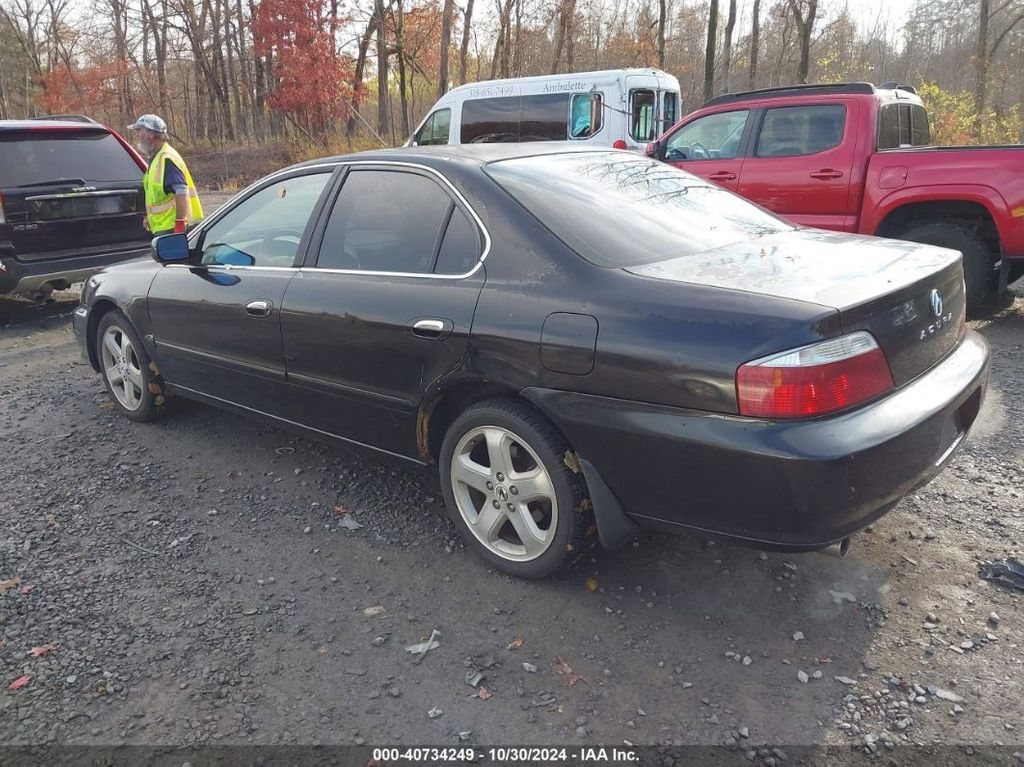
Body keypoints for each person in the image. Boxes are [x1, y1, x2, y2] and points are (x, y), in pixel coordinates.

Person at [127, 114, 203, 235]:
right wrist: (150, 218)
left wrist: (179, 223)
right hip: (164, 226)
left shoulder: (166, 158)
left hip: (171, 229)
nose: (136, 135)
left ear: (151, 134)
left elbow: (181, 191)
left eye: (139, 131)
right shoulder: (157, 156)